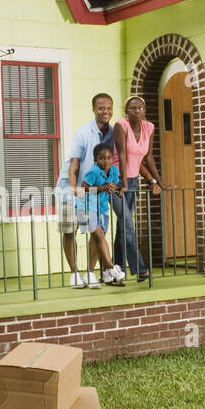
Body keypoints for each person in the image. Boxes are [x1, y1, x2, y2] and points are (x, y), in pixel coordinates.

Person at [55, 93, 116, 288]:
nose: (104, 111)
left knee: (97, 231)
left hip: (94, 190)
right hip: (70, 186)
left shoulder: (114, 133)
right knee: (69, 230)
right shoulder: (83, 133)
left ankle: (90, 273)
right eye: (100, 108)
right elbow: (74, 164)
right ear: (93, 110)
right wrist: (74, 190)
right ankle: (74, 274)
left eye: (108, 108)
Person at [112, 95, 171, 282]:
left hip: (134, 181)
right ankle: (140, 269)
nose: (136, 111)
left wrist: (159, 182)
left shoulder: (149, 127)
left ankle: (117, 272)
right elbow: (121, 155)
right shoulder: (121, 125)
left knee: (123, 228)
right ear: (126, 111)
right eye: (132, 108)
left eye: (140, 108)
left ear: (144, 110)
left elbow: (149, 157)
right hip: (117, 182)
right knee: (128, 225)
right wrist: (124, 183)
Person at [81, 144, 126, 285]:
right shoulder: (93, 171)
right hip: (88, 207)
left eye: (108, 158)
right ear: (95, 160)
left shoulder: (113, 170)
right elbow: (83, 188)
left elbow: (116, 184)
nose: (105, 161)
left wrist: (118, 189)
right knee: (99, 236)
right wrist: (102, 188)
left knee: (97, 240)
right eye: (101, 158)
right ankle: (112, 268)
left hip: (103, 209)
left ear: (113, 159)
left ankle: (94, 273)